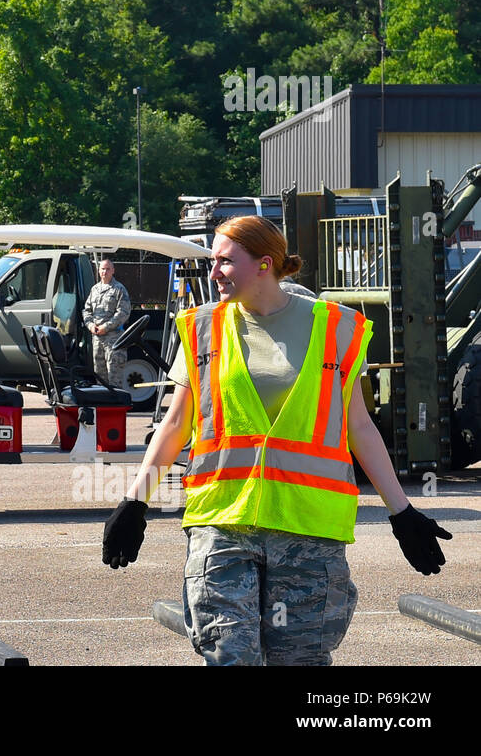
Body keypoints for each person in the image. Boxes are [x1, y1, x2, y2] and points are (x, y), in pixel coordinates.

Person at [101, 215, 451, 666]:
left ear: (264, 263)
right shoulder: (202, 328)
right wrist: (135, 503)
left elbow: (358, 427)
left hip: (307, 530)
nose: (213, 273)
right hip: (222, 523)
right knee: (229, 655)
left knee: (299, 660)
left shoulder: (337, 329)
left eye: (225, 261)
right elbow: (175, 425)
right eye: (213, 261)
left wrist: (401, 511)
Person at [82, 258, 132, 387]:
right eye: (102, 269)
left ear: (113, 271)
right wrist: (91, 325)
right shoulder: (94, 289)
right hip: (97, 339)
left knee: (114, 378)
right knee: (100, 378)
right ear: (98, 271)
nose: (105, 271)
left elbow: (123, 312)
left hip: (114, 340)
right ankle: (103, 405)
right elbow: (86, 311)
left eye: (108, 269)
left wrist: (106, 326)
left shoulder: (119, 289)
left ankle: (117, 406)